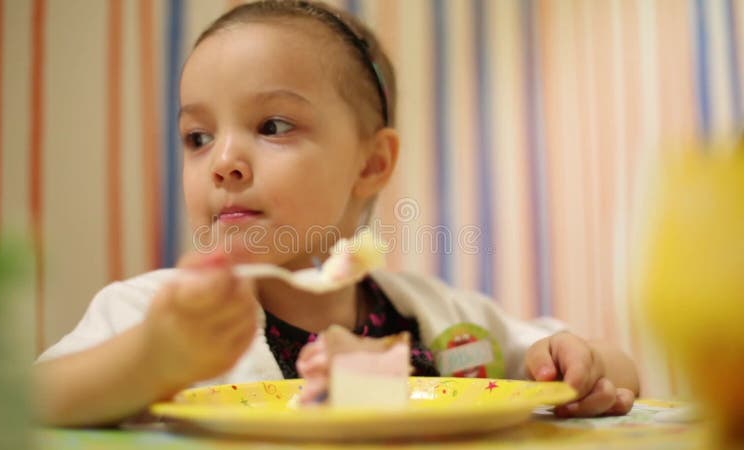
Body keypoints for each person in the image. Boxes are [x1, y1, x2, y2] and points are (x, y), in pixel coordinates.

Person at [35, 0, 639, 427]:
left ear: (371, 165)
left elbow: (614, 368)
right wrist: (150, 363)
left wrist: (580, 367)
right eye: (197, 137)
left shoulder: (436, 318)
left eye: (272, 126)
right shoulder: (152, 314)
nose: (222, 162)